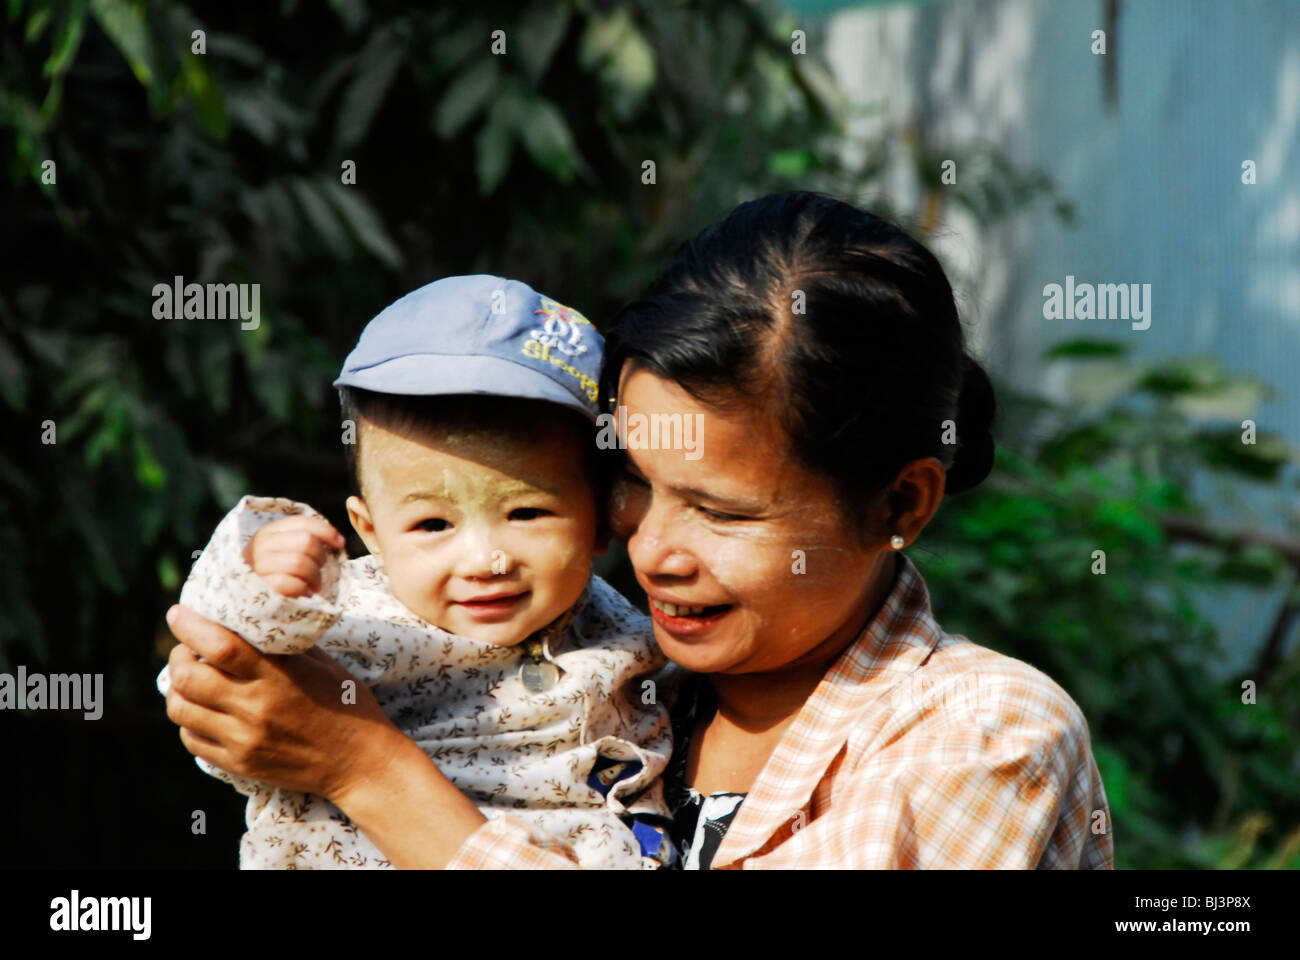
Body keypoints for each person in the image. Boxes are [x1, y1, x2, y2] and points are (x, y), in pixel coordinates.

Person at [163, 191, 1113, 869]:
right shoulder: (631, 668)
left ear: (903, 503)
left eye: (724, 511)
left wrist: (367, 768)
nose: (652, 548)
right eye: (634, 483)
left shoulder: (986, 738)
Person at [157, 275, 675, 869]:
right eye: (433, 525)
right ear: (370, 530)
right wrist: (256, 578)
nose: (486, 561)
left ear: (600, 522)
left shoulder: (631, 633)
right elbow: (209, 675)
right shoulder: (350, 609)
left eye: (527, 512)